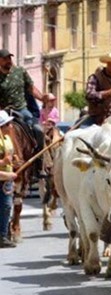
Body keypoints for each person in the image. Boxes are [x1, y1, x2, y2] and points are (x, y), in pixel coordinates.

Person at [0, 49, 45, 152]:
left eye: (9, 58)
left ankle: (40, 160)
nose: (8, 60)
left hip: (21, 109)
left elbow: (31, 88)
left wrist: (42, 98)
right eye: (5, 59)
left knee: (38, 130)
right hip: (4, 112)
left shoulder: (20, 71)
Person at [0, 110, 17, 248]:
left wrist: (14, 159)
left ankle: (3, 234)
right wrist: (3, 163)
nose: (11, 126)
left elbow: (11, 155)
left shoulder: (7, 139)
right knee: (5, 206)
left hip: (7, 179)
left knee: (6, 206)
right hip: (3, 176)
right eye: (8, 124)